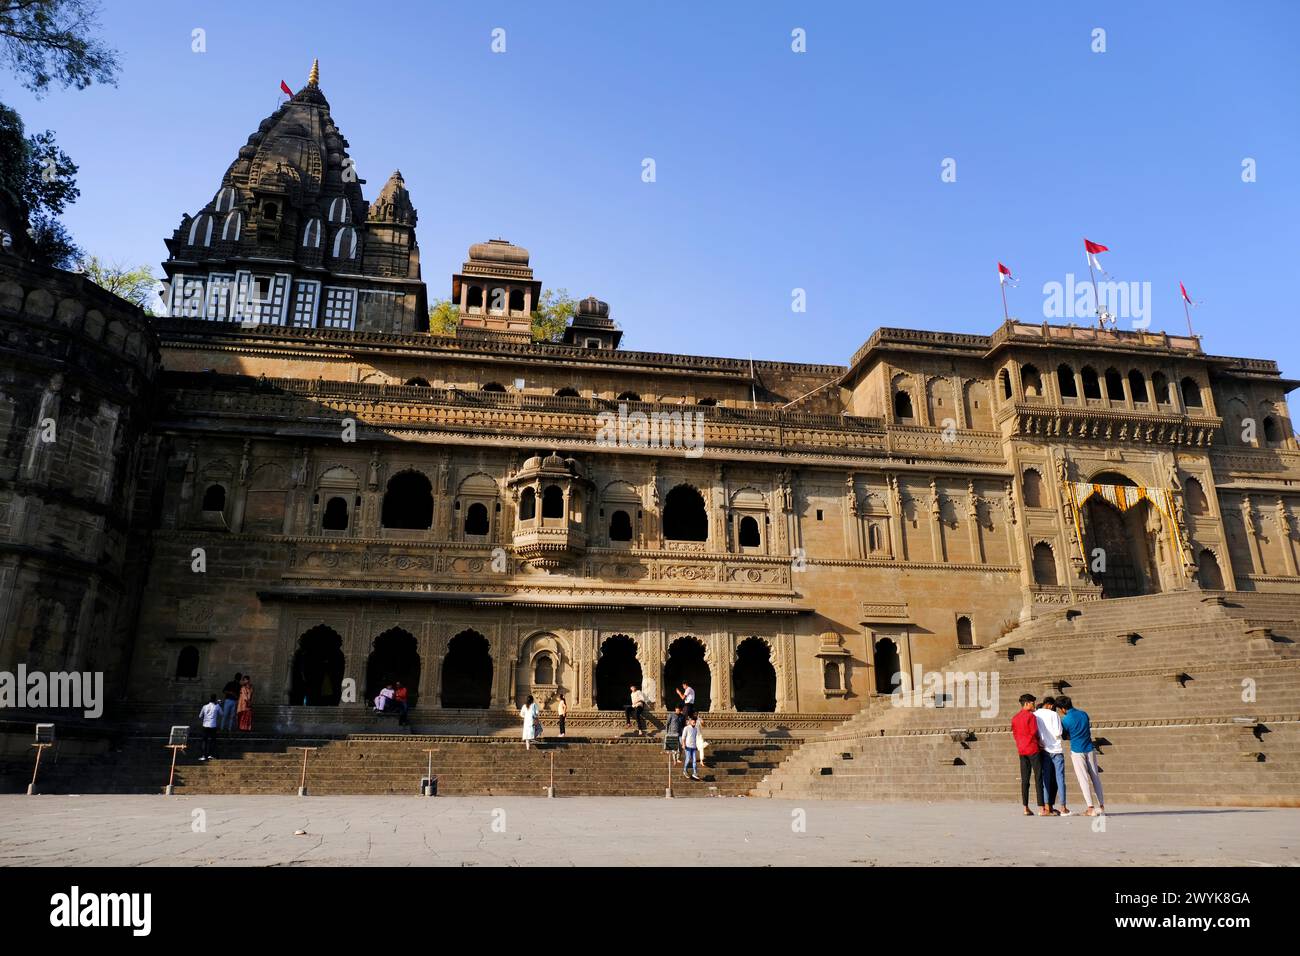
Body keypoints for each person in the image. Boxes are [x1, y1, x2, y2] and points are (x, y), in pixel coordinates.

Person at [1057, 696, 1105, 815]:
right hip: (1089, 748)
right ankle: (1102, 806)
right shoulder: (1084, 714)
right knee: (1095, 778)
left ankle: (1090, 807)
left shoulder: (1066, 720)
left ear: (1063, 709)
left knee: (1083, 779)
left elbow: (1064, 736)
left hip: (1077, 750)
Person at [1011, 693, 1046, 817]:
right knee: (1038, 777)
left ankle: (1025, 807)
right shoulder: (1031, 717)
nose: (1034, 705)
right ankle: (1041, 808)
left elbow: (1014, 734)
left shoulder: (1015, 718)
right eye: (1032, 702)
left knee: (1025, 779)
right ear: (1027, 703)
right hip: (1032, 749)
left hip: (1022, 750)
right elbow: (1034, 732)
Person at [1035, 695, 1069, 816]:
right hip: (1056, 750)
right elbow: (1058, 732)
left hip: (1044, 750)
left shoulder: (1035, 714)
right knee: (1060, 779)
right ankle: (1063, 807)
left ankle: (1047, 807)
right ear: (1049, 705)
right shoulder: (1053, 714)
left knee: (1046, 780)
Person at [198, 695, 221, 761]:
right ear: (215, 700)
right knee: (212, 741)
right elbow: (222, 714)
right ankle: (210, 755)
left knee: (204, 741)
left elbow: (200, 716)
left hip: (205, 725)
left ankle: (204, 756)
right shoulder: (217, 706)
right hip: (213, 726)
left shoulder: (204, 706)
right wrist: (218, 705)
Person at [680, 716, 700, 781]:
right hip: (688, 746)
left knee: (694, 760)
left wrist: (697, 745)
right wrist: (683, 744)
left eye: (695, 721)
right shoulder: (686, 728)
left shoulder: (696, 729)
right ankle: (685, 770)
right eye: (693, 721)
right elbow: (683, 737)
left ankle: (695, 773)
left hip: (693, 746)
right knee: (688, 759)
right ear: (690, 721)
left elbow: (696, 738)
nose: (694, 722)